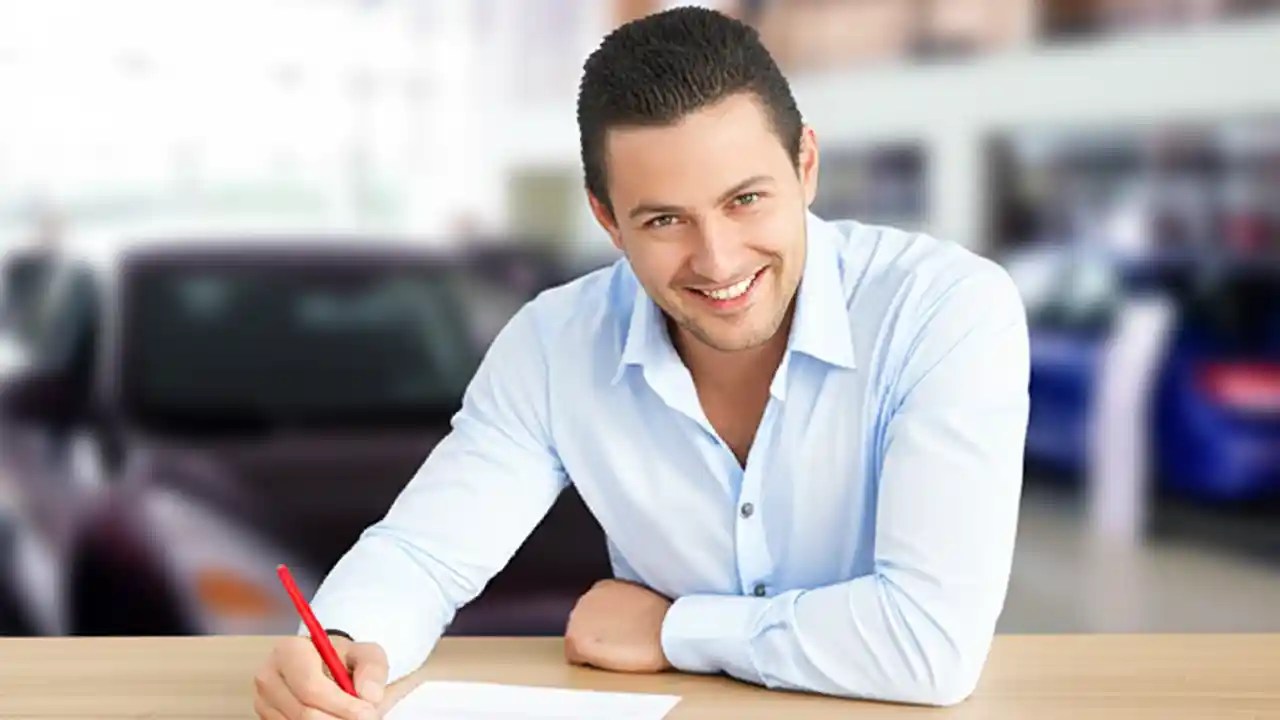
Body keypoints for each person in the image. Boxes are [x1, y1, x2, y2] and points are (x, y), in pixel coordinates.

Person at [252, 7, 1029, 719]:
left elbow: (929, 644)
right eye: (664, 220)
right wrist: (351, 639)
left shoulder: (945, 311)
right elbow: (423, 555)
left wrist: (674, 630)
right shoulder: (555, 344)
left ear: (806, 166)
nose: (718, 260)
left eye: (746, 200)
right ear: (606, 218)